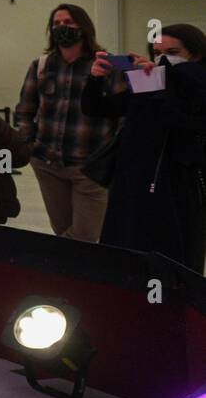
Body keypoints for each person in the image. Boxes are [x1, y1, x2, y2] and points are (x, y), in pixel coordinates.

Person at [81, 23, 206, 272]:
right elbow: (97, 108)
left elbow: (180, 119)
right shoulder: (152, 82)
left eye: (173, 52)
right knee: (125, 251)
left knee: (170, 258)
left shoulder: (195, 81)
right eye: (157, 52)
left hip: (175, 185)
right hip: (132, 181)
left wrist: (164, 76)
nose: (163, 57)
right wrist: (95, 78)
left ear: (196, 54)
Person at [14, 4, 119, 243]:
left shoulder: (106, 65)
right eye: (57, 23)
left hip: (90, 167)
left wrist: (113, 157)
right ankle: (75, 278)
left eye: (69, 22)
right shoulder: (41, 66)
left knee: (85, 236)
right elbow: (26, 109)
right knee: (62, 231)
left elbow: (122, 114)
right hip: (48, 163)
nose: (62, 27)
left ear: (84, 27)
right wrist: (29, 145)